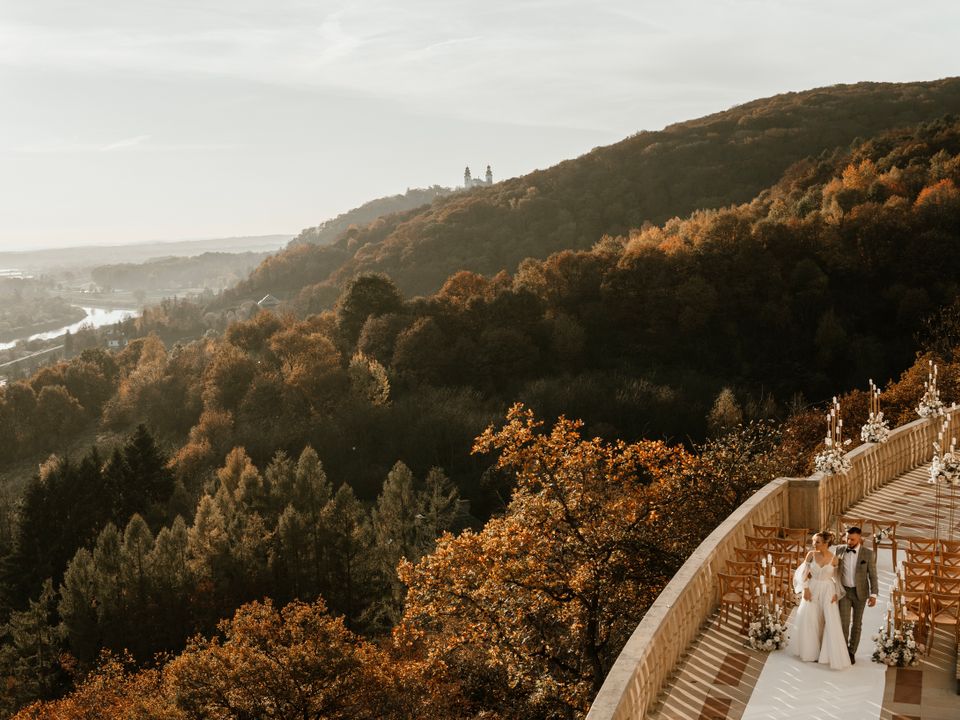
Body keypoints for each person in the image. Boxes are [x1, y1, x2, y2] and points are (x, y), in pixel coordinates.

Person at [792, 531, 851, 670]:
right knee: (810, 619)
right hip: (812, 588)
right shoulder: (811, 555)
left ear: (826, 543)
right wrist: (805, 589)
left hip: (828, 590)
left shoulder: (835, 559)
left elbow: (836, 579)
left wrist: (836, 593)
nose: (814, 544)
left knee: (827, 620)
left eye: (817, 542)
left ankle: (826, 654)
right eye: (813, 541)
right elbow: (803, 574)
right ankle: (810, 652)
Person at [836, 526, 879, 664]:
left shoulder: (868, 554)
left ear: (859, 538)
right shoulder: (840, 550)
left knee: (857, 624)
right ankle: (842, 652)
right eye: (847, 538)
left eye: (852, 539)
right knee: (843, 623)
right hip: (844, 592)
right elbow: (835, 571)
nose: (849, 541)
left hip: (861, 593)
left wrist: (874, 595)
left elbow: (873, 576)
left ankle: (851, 651)